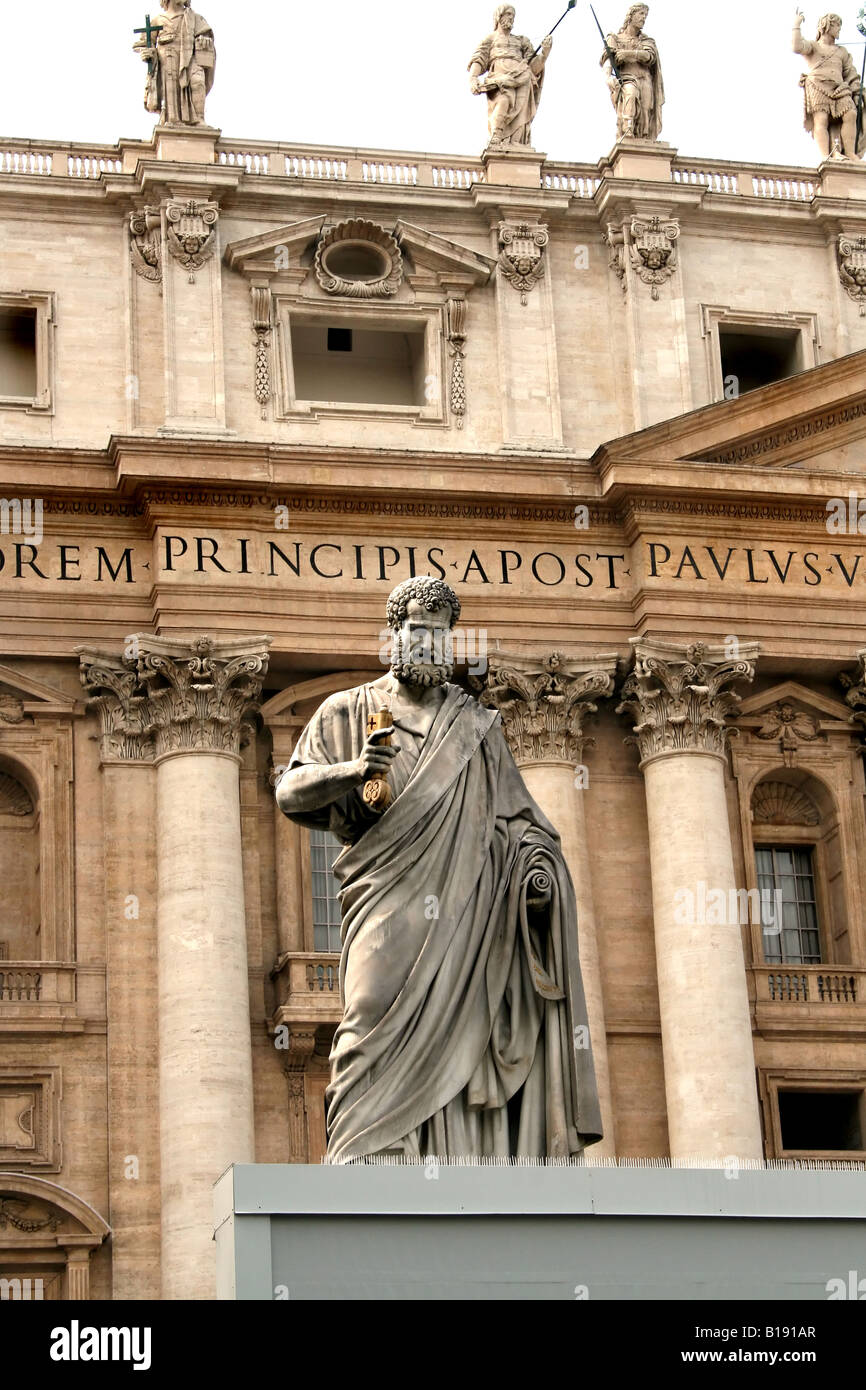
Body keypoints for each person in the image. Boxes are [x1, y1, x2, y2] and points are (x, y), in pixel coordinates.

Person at [275, 577, 603, 1161]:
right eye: (417, 630)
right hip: (387, 899)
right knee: (369, 1013)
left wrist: (535, 872)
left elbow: (521, 821)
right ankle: (365, 1156)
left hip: (470, 916)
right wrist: (354, 771)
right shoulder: (346, 710)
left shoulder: (477, 728)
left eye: (439, 633)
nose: (428, 643)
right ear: (393, 635)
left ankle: (456, 1158)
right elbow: (290, 792)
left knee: (468, 1031)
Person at [468, 5, 553, 148]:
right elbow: (479, 59)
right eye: (507, 14)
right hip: (499, 79)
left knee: (520, 112)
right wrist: (473, 78)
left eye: (512, 15)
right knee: (503, 101)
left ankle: (515, 144)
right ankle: (497, 136)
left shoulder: (522, 41)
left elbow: (533, 66)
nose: (510, 18)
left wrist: (544, 53)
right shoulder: (490, 39)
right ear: (498, 17)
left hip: (522, 79)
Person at [793, 11, 865, 160]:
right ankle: (825, 155)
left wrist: (857, 93)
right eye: (837, 25)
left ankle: (850, 152)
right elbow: (797, 46)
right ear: (826, 26)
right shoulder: (813, 46)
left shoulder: (842, 52)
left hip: (840, 88)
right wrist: (796, 25)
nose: (839, 29)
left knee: (851, 114)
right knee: (821, 120)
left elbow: (850, 73)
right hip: (818, 85)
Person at [135, 1, 216, 127]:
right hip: (167, 57)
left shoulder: (194, 17)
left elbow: (206, 36)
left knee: (198, 81)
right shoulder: (158, 20)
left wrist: (204, 39)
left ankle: (199, 119)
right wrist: (146, 53)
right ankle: (172, 120)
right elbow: (143, 44)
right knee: (171, 88)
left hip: (190, 56)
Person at [601, 4, 665, 141]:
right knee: (630, 93)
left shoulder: (647, 40)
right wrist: (608, 78)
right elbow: (608, 60)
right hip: (627, 78)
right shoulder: (615, 38)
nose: (643, 18)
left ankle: (643, 141)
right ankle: (627, 130)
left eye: (645, 16)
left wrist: (628, 54)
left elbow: (649, 56)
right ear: (631, 16)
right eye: (641, 14)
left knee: (646, 112)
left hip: (645, 79)